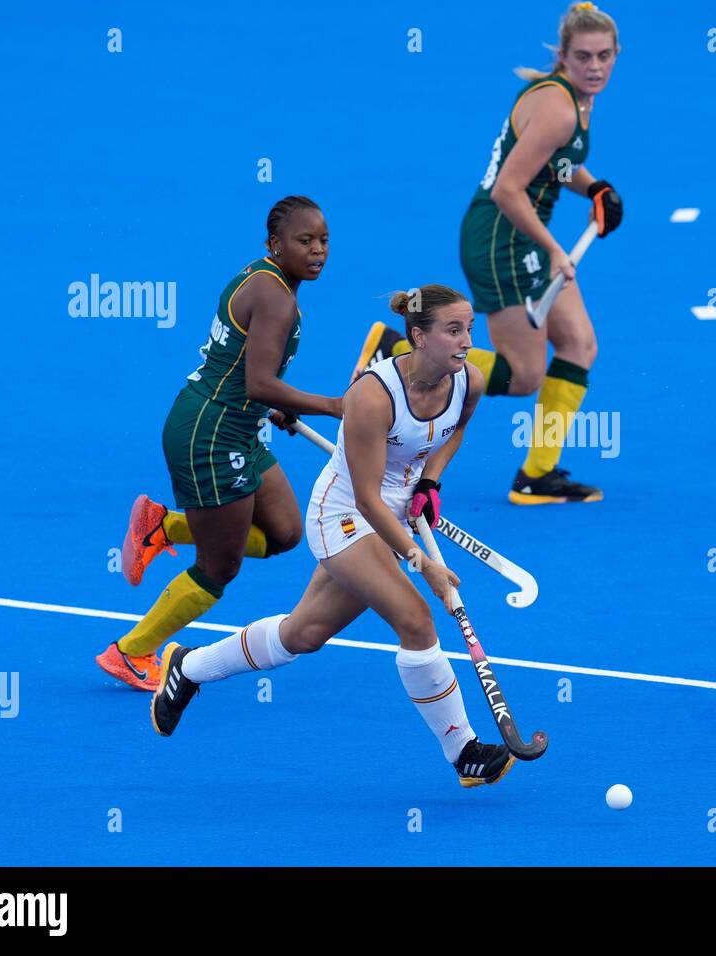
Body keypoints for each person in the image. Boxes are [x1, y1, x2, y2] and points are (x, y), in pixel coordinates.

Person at [151, 286, 517, 787]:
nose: (467, 342)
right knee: (415, 620)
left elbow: (453, 432)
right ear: (417, 336)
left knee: (302, 634)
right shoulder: (373, 396)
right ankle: (464, 753)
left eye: (469, 329)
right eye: (453, 331)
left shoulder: (467, 383)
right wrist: (421, 562)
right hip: (344, 516)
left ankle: (189, 667)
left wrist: (430, 481)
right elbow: (367, 498)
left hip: (396, 515)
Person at [353, 2, 624, 505]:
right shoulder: (559, 107)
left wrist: (594, 188)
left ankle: (535, 476)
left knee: (579, 345)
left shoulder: (578, 99)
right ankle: (394, 351)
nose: (595, 66)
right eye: (584, 56)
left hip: (522, 236)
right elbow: (507, 189)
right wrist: (554, 249)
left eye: (604, 55)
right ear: (563, 56)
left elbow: (557, 163)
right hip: (502, 240)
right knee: (523, 376)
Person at [97, 197, 343, 691]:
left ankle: (161, 526)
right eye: (304, 241)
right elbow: (257, 383)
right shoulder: (277, 299)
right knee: (219, 566)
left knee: (284, 533)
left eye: (323, 240)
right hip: (209, 437)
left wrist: (277, 403)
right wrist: (336, 406)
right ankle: (131, 652)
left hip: (238, 426)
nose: (317, 250)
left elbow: (245, 371)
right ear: (274, 244)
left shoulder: (263, 278)